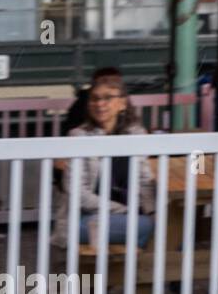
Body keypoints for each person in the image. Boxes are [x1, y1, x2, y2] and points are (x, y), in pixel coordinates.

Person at [54, 73, 156, 248]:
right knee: (153, 227)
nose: (100, 104)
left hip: (125, 217)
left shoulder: (135, 133)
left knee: (164, 222)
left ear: (122, 103)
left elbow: (144, 180)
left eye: (107, 98)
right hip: (85, 219)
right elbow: (78, 194)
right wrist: (125, 211)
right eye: (94, 99)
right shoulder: (79, 136)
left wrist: (152, 210)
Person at [60, 66, 124, 136]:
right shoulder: (79, 132)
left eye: (108, 97)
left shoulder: (131, 130)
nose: (99, 103)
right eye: (95, 98)